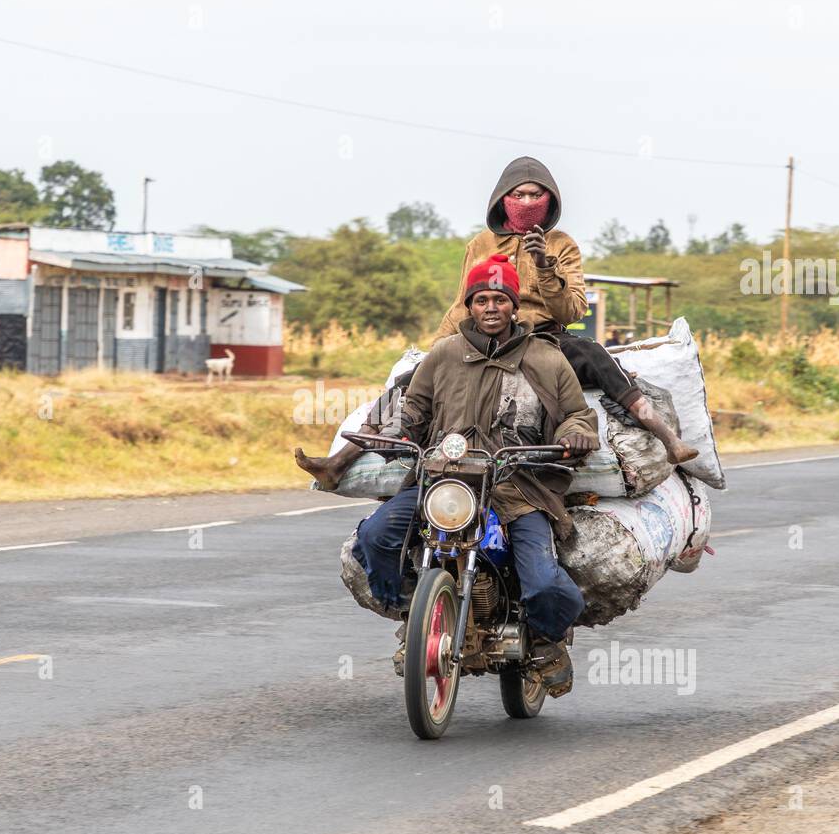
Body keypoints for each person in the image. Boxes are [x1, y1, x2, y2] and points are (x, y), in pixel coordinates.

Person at [294, 157, 696, 491]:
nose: (526, 201)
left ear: (549, 199)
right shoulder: (481, 245)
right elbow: (460, 303)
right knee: (411, 381)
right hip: (483, 339)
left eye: (534, 194)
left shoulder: (562, 244)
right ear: (502, 200)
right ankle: (340, 461)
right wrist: (439, 350)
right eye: (517, 195)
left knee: (596, 357)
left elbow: (572, 310)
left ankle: (668, 439)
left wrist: (544, 265)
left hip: (541, 339)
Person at [351, 253, 599, 696]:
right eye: (480, 299)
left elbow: (577, 414)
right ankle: (413, 616)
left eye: (499, 299)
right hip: (444, 484)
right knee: (376, 537)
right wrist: (396, 430)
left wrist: (576, 433)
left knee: (544, 581)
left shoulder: (545, 358)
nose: (490, 308)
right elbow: (414, 407)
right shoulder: (444, 354)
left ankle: (546, 641)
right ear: (468, 305)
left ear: (513, 307)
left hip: (518, 488)